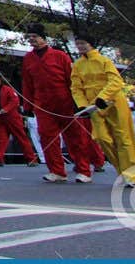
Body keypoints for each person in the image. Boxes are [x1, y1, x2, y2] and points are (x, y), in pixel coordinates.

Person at [20, 26, 94, 183]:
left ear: (43, 38)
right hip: (42, 104)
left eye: (35, 36)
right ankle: (57, 171)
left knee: (75, 137)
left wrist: (78, 102)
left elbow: (72, 80)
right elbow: (27, 84)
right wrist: (27, 107)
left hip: (66, 102)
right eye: (29, 36)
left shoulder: (60, 56)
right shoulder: (28, 59)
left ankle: (84, 170)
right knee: (47, 137)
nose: (32, 39)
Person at [70, 31, 135, 187]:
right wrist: (82, 105)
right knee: (102, 138)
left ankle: (133, 176)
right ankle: (122, 172)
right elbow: (76, 87)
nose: (80, 46)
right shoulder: (77, 65)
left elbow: (116, 81)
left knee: (124, 138)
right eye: (78, 44)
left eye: (83, 43)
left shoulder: (104, 61)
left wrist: (103, 97)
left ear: (90, 44)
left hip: (114, 102)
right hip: (93, 106)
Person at [0, 73, 38, 167]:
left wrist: (6, 109)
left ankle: (31, 158)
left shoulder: (7, 89)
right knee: (0, 139)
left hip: (12, 117)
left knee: (21, 138)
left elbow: (14, 101)